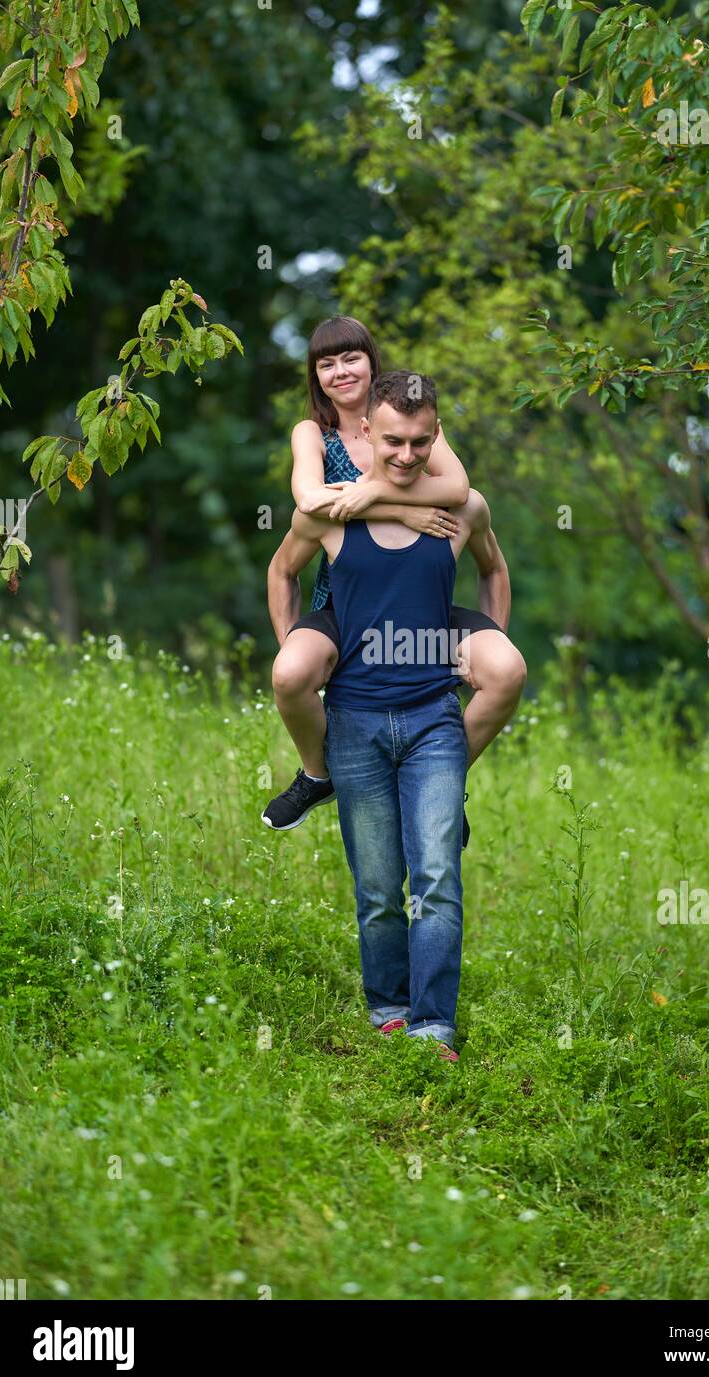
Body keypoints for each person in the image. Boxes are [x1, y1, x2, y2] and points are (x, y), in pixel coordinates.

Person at [266, 371, 522, 1060]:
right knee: (380, 887)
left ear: (435, 435)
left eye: (419, 441)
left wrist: (487, 643)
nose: (406, 456)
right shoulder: (330, 511)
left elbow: (495, 571)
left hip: (436, 719)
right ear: (367, 437)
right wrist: (293, 645)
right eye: (392, 442)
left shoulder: (463, 510)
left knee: (436, 878)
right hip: (353, 726)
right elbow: (281, 573)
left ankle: (434, 1026)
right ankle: (389, 1007)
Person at [261, 315, 526, 837]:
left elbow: (458, 489)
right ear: (314, 376)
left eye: (351, 357)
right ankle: (318, 774)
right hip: (346, 594)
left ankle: (445, 779)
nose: (340, 371)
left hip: (418, 593)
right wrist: (401, 510)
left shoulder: (414, 425)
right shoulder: (313, 433)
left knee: (504, 671)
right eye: (326, 363)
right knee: (290, 673)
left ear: (372, 361)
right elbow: (311, 500)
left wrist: (376, 494)